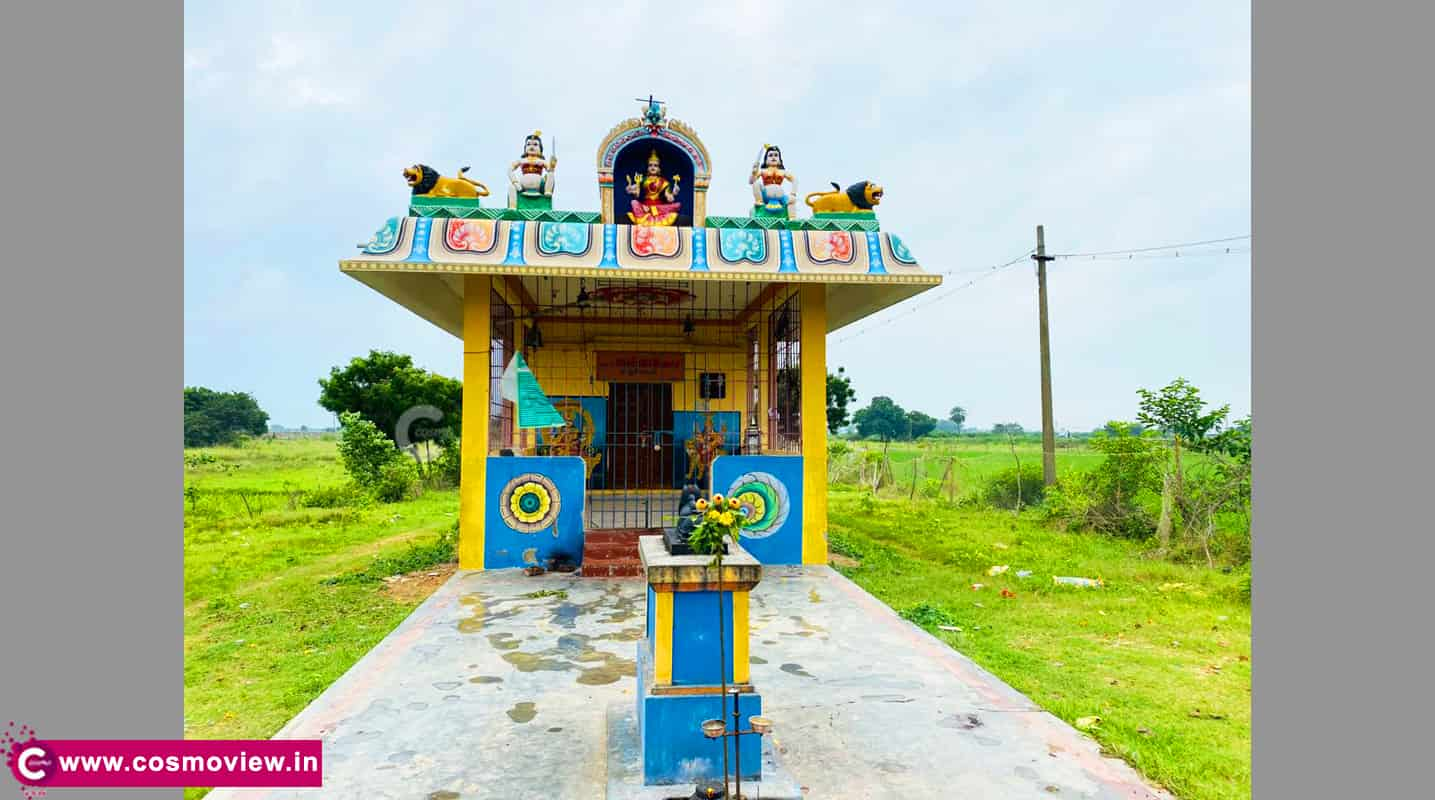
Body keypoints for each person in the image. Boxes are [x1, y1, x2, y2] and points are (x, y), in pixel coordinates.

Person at [626, 149, 682, 226]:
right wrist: (631, 189)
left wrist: (673, 194)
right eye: (650, 165)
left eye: (655, 166)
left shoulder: (664, 182)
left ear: (659, 168)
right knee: (634, 202)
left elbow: (669, 198)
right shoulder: (643, 180)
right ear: (647, 168)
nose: (653, 167)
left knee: (676, 205)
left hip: (659, 208)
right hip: (645, 207)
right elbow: (637, 195)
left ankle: (652, 212)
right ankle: (647, 214)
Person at [508, 130, 556, 207]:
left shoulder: (542, 161)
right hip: (522, 185)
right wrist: (515, 182)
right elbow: (510, 170)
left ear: (540, 149)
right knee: (511, 187)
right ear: (525, 148)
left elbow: (549, 170)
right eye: (529, 144)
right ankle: (512, 208)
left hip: (539, 185)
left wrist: (552, 166)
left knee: (551, 174)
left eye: (535, 144)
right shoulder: (521, 161)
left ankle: (547, 192)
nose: (532, 146)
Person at [749, 144, 798, 215]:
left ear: (779, 160)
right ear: (766, 160)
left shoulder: (783, 172)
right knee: (756, 183)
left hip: (781, 197)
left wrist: (793, 193)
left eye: (776, 155)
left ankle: (792, 220)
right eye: (770, 155)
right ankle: (759, 202)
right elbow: (751, 181)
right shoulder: (763, 171)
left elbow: (794, 180)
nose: (773, 157)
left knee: (792, 201)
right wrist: (753, 173)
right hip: (765, 195)